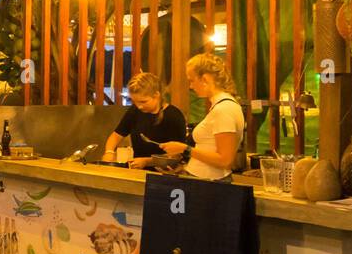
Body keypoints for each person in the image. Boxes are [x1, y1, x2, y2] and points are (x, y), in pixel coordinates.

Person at [156, 53, 246, 181]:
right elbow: (209, 149)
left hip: (210, 184)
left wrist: (184, 149)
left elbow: (225, 160)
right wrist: (186, 168)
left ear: (205, 79)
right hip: (203, 178)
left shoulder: (224, 109)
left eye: (192, 80)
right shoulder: (221, 106)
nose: (191, 86)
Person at [104, 72, 189, 168]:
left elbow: (177, 155)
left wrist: (147, 161)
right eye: (135, 102)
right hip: (138, 170)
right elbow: (116, 136)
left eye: (143, 101)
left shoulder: (173, 115)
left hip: (165, 174)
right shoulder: (135, 111)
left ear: (157, 95)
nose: (139, 106)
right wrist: (109, 152)